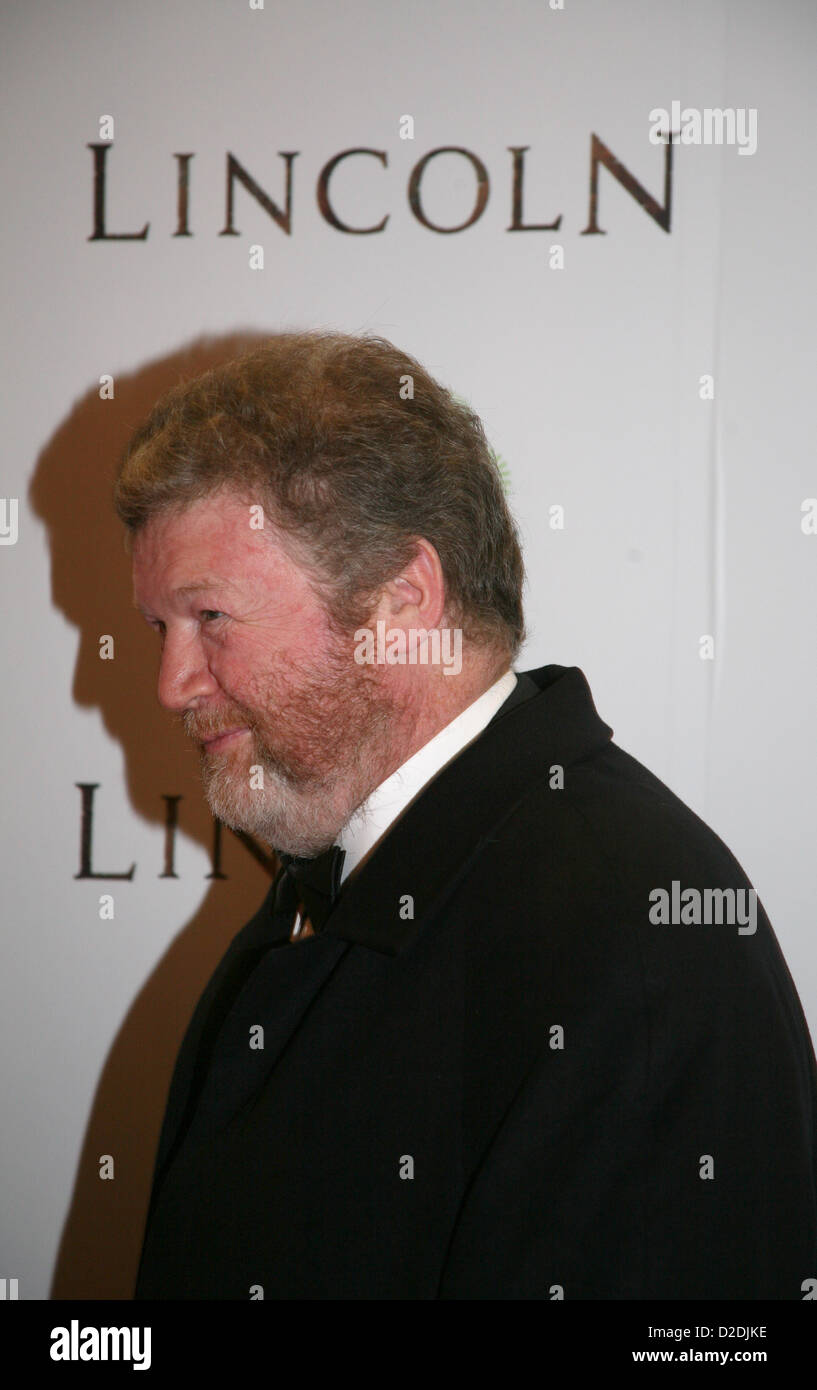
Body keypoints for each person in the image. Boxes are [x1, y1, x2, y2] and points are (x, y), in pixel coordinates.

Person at [117, 330, 817, 1299]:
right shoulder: (338, 885)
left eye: (210, 618)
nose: (171, 684)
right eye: (160, 628)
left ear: (402, 602)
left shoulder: (636, 944)